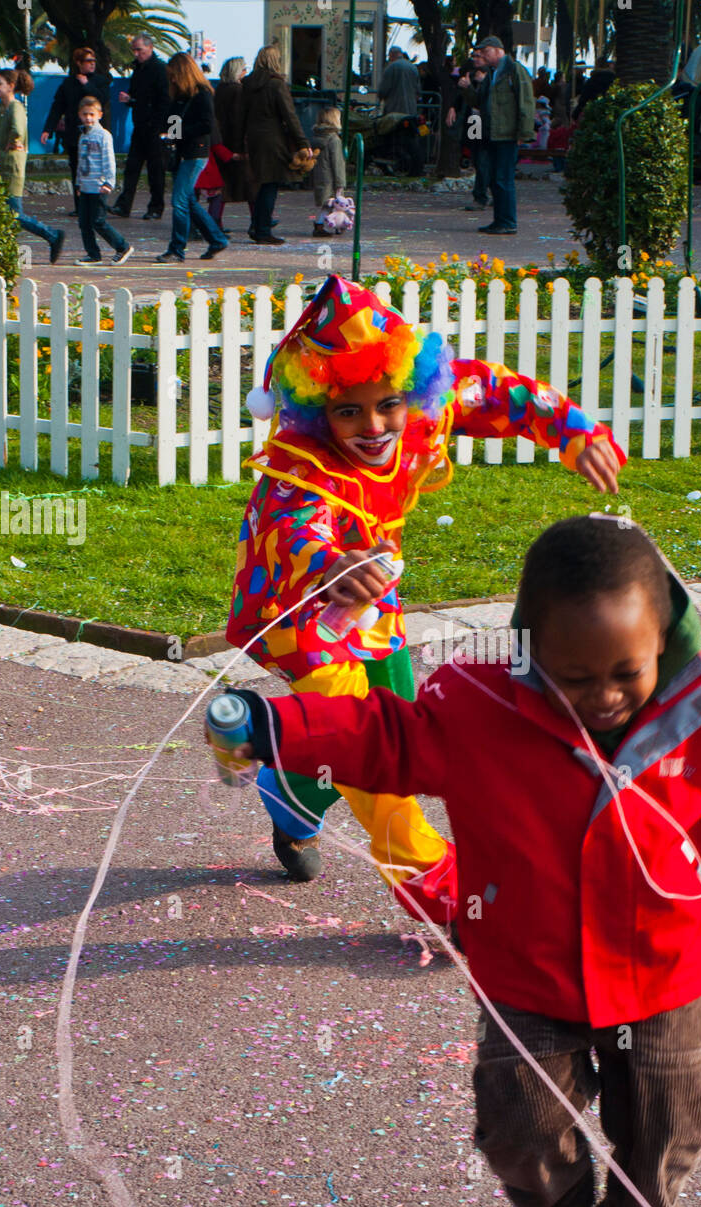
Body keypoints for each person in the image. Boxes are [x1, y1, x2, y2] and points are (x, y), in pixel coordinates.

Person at [219, 513, 701, 1207]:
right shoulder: (475, 708)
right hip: (525, 967)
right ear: (528, 652)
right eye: (574, 676)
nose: (601, 695)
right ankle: (547, 1205)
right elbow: (385, 737)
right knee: (517, 1125)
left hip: (658, 976)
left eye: (624, 672)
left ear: (660, 642)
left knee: (661, 1139)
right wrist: (274, 723)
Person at [225, 275, 624, 898]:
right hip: (302, 609)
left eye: (388, 403)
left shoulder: (419, 417)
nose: (375, 425)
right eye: (348, 410)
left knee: (401, 736)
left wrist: (573, 432)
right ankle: (442, 889)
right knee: (365, 741)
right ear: (316, 412)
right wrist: (331, 564)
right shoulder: (300, 468)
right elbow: (288, 527)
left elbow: (499, 392)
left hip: (374, 597)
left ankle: (290, 787)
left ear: (411, 391)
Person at [154, 52, 228, 264]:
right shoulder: (179, 97)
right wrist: (170, 135)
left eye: (174, 75)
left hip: (196, 153)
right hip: (183, 152)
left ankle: (177, 248)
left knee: (179, 200)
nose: (172, 80)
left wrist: (178, 132)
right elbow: (174, 122)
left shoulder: (202, 95)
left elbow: (206, 125)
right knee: (187, 200)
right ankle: (216, 239)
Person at [458, 36, 534, 235]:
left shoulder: (514, 70)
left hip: (507, 134)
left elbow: (526, 102)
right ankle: (499, 220)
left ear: (497, 50)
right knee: (494, 178)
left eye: (485, 52)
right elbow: (479, 102)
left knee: (503, 178)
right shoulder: (492, 74)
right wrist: (467, 90)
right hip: (492, 133)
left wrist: (524, 133)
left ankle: (507, 221)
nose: (483, 56)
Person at [0, 69, 66, 265]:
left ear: (11, 86)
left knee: (14, 213)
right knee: (1, 211)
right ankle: (3, 250)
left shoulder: (16, 108)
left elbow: (17, 129)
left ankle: (52, 235)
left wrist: (11, 141)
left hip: (12, 167)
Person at [239, 45, 311, 245]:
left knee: (261, 183)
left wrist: (239, 142)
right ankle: (262, 229)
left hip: (253, 138)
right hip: (273, 139)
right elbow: (290, 115)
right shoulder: (276, 85)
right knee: (271, 184)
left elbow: (241, 115)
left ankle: (257, 225)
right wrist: (303, 143)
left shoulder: (247, 84)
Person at [40, 47, 111, 216]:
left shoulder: (100, 81)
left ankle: (97, 205)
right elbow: (57, 107)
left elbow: (102, 98)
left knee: (96, 168)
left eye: (93, 61)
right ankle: (80, 206)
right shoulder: (68, 83)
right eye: (88, 61)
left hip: (94, 134)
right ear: (79, 63)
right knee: (77, 169)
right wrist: (48, 129)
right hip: (74, 134)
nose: (92, 64)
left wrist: (86, 84)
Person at [109, 34, 170, 220]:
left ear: (150, 48)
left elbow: (164, 100)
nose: (136, 54)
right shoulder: (138, 70)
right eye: (134, 50)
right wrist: (130, 100)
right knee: (132, 167)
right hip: (141, 125)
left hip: (155, 127)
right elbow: (139, 96)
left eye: (140, 50)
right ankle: (124, 204)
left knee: (155, 170)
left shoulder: (160, 70)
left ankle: (156, 206)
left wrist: (168, 130)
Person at [72, 96, 132, 266]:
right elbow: (81, 162)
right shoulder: (82, 136)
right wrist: (78, 183)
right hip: (85, 186)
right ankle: (93, 254)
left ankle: (122, 246)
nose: (88, 118)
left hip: (99, 186)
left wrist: (109, 182)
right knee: (84, 222)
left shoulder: (103, 135)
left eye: (91, 114)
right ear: (79, 115)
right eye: (84, 114)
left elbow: (109, 160)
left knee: (98, 221)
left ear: (99, 114)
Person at [212, 57, 255, 233]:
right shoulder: (238, 91)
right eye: (244, 69)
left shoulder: (219, 90)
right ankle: (258, 219)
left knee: (220, 187)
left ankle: (215, 220)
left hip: (221, 143)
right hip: (234, 144)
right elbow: (238, 120)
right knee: (251, 185)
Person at [447, 52, 491, 211]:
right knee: (478, 155)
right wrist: (453, 106)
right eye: (475, 57)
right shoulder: (471, 74)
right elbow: (462, 93)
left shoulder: (491, 76)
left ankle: (482, 194)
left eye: (479, 57)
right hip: (475, 120)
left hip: (485, 121)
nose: (476, 60)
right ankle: (483, 192)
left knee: (483, 157)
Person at [310, 105, 346, 234]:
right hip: (330, 177)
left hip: (319, 175)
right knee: (332, 203)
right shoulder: (334, 140)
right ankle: (322, 225)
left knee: (326, 203)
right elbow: (337, 163)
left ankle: (322, 224)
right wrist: (340, 183)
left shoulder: (316, 137)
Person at [378, 46, 421, 116]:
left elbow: (383, 89)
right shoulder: (413, 67)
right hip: (410, 109)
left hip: (394, 109)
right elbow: (418, 90)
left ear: (391, 55)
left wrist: (380, 97)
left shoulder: (390, 68)